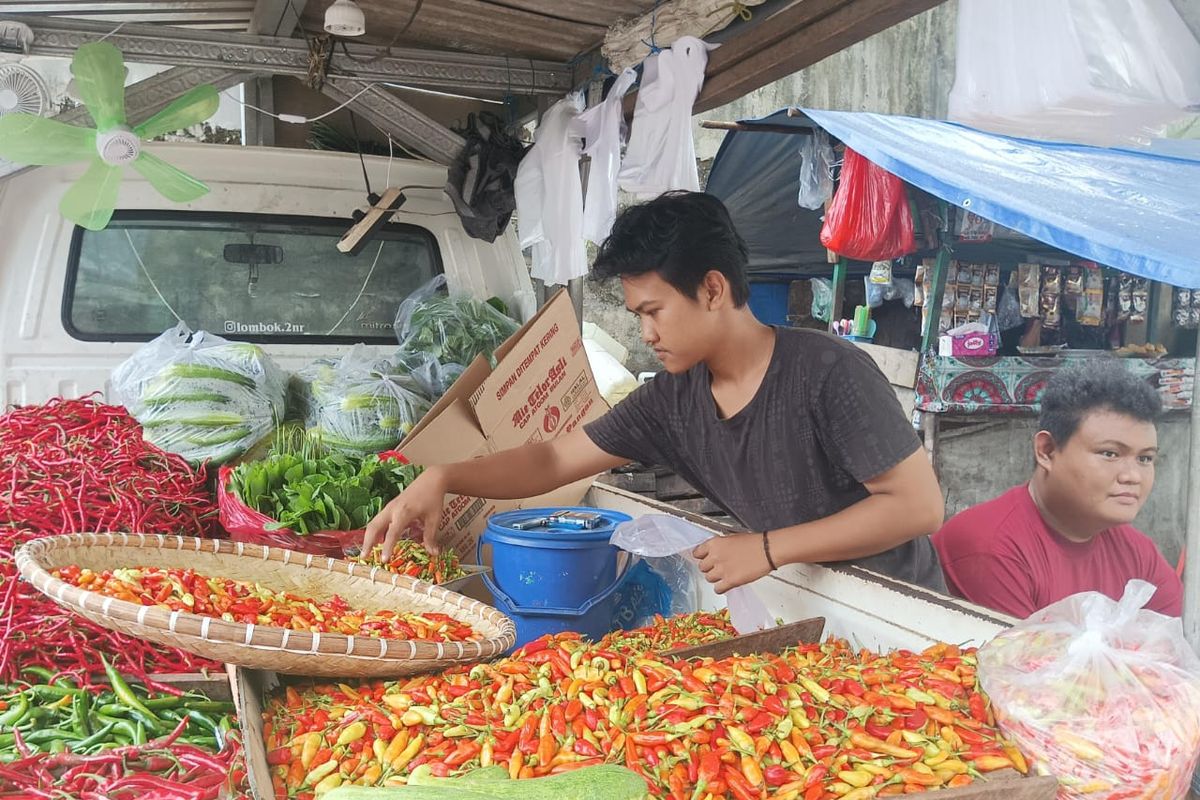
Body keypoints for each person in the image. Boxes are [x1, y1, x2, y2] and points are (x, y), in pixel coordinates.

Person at [364, 191, 946, 593]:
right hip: (805, 596)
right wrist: (445, 476)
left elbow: (918, 506)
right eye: (637, 315)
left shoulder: (829, 372)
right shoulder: (672, 400)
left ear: (712, 289)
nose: (645, 334)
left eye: (653, 311)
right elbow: (553, 460)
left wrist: (768, 548)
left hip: (903, 614)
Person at [932, 360, 1182, 617]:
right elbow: (1019, 645)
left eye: (1145, 458)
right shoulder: (989, 548)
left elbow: (1175, 636)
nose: (1132, 476)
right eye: (1110, 453)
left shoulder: (1138, 553)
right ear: (1047, 451)